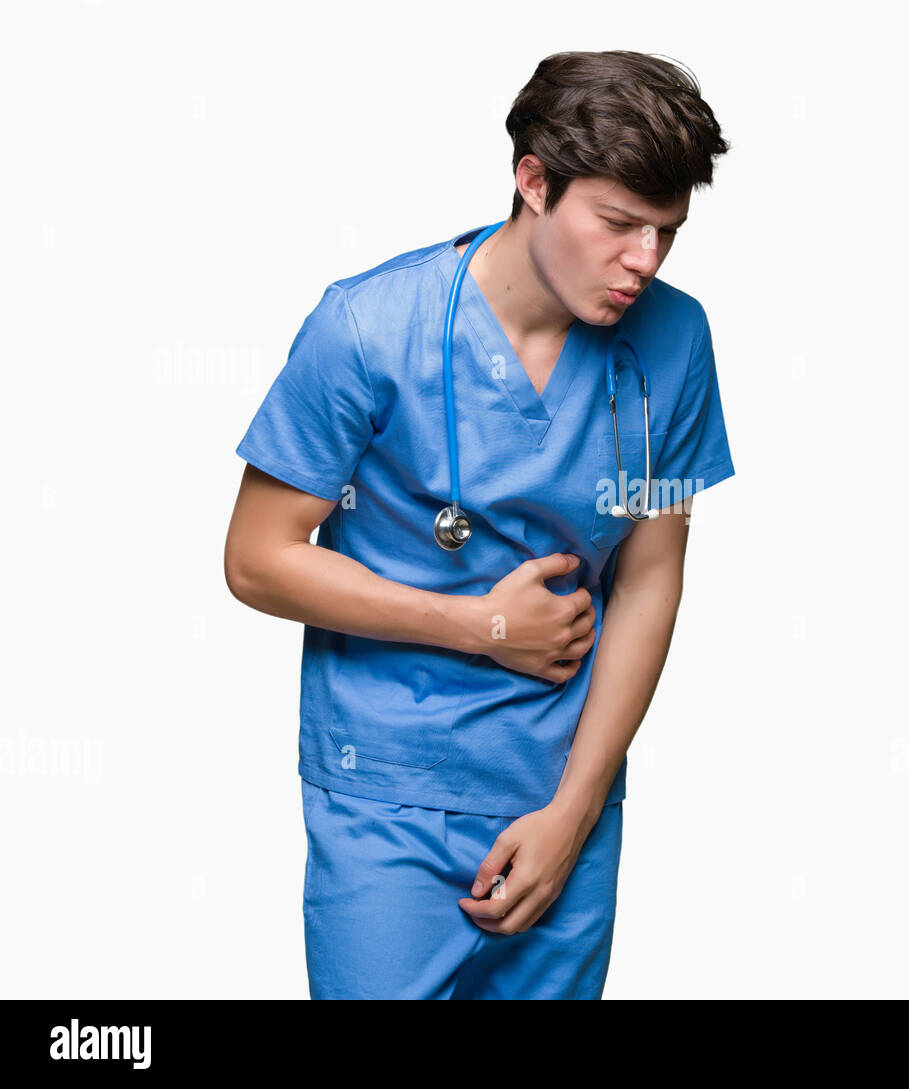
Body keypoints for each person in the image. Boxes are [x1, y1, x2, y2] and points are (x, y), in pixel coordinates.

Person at [223, 49, 734, 1000]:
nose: (644, 262)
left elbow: (653, 573)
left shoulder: (676, 340)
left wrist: (574, 811)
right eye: (618, 224)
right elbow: (256, 559)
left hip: (559, 793)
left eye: (666, 232)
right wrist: (478, 625)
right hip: (389, 795)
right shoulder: (368, 330)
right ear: (533, 182)